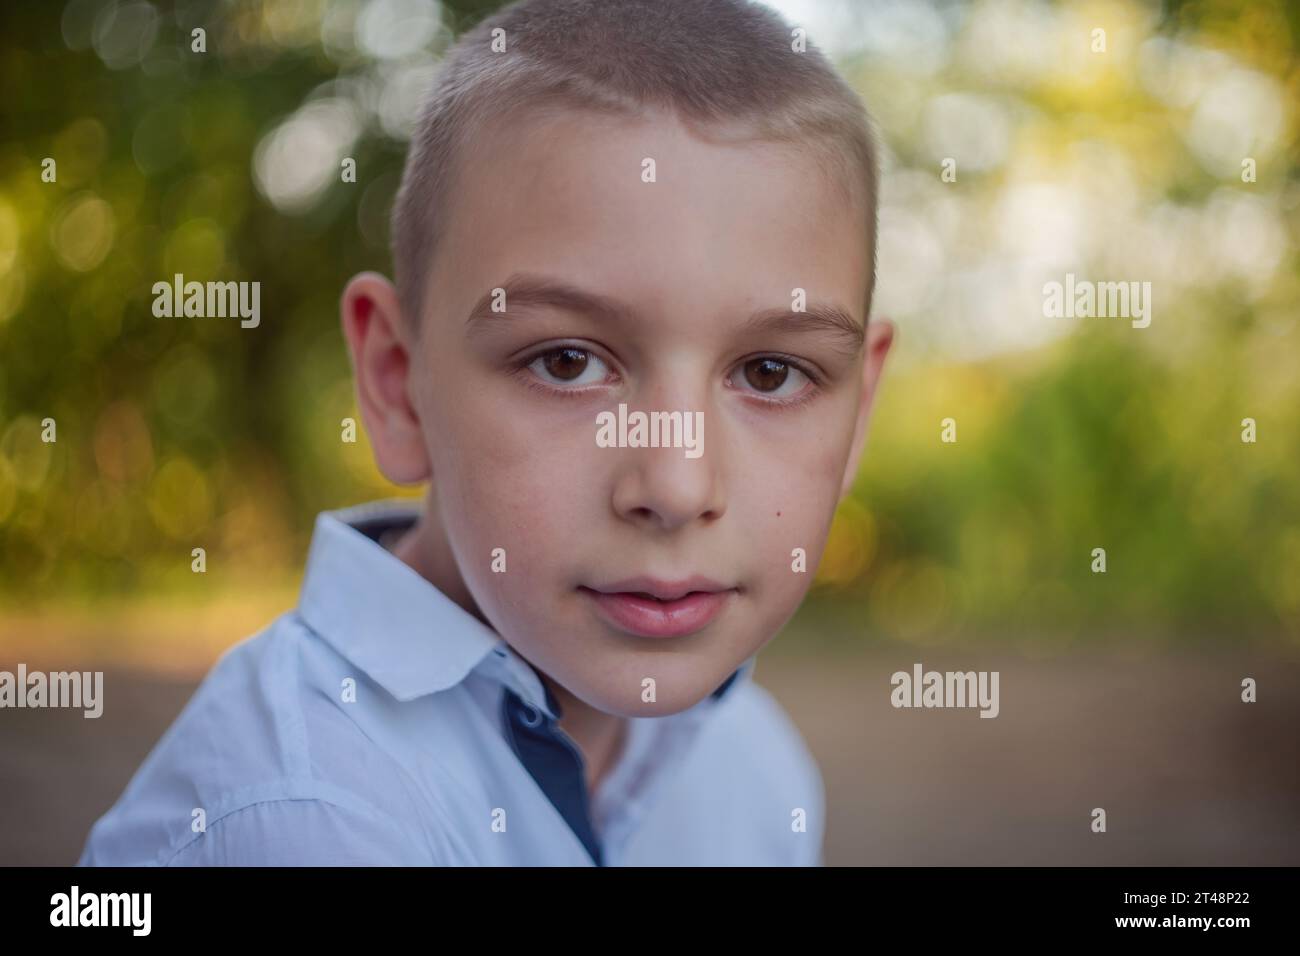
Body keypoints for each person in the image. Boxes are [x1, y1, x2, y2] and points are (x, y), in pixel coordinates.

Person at [79, 0, 894, 866]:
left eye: (771, 373)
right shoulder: (306, 825)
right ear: (399, 385)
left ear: (858, 413)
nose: (677, 486)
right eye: (568, 362)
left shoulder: (754, 768)